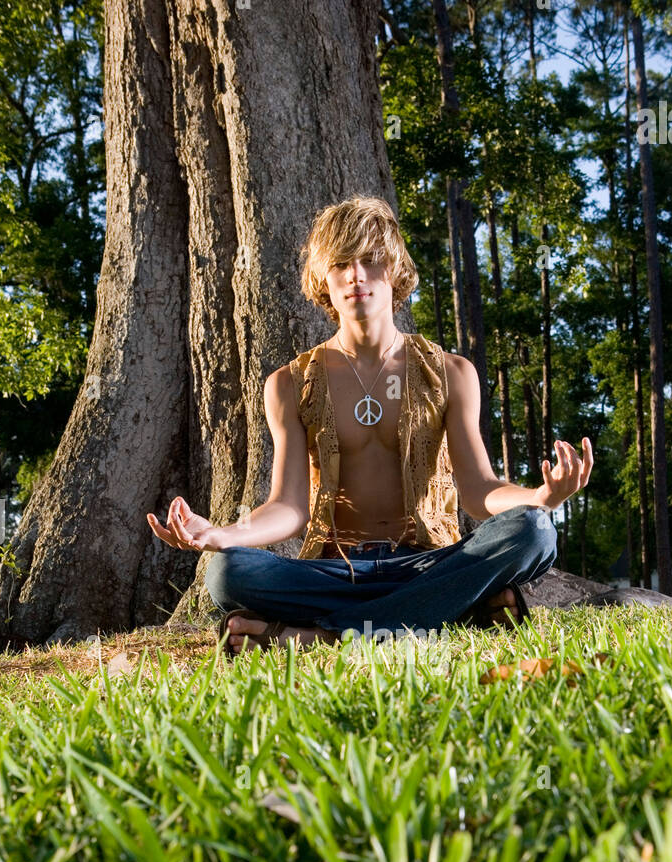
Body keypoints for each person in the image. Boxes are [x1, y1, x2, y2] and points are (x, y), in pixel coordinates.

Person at [147, 195, 593, 654]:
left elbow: (479, 492)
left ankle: (325, 636)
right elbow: (289, 507)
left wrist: (540, 497)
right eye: (341, 263)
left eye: (370, 260)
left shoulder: (451, 372)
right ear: (323, 277)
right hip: (335, 569)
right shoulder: (289, 383)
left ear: (395, 270)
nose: (355, 275)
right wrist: (222, 534)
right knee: (227, 573)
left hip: (426, 562)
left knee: (535, 531)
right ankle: (445, 611)